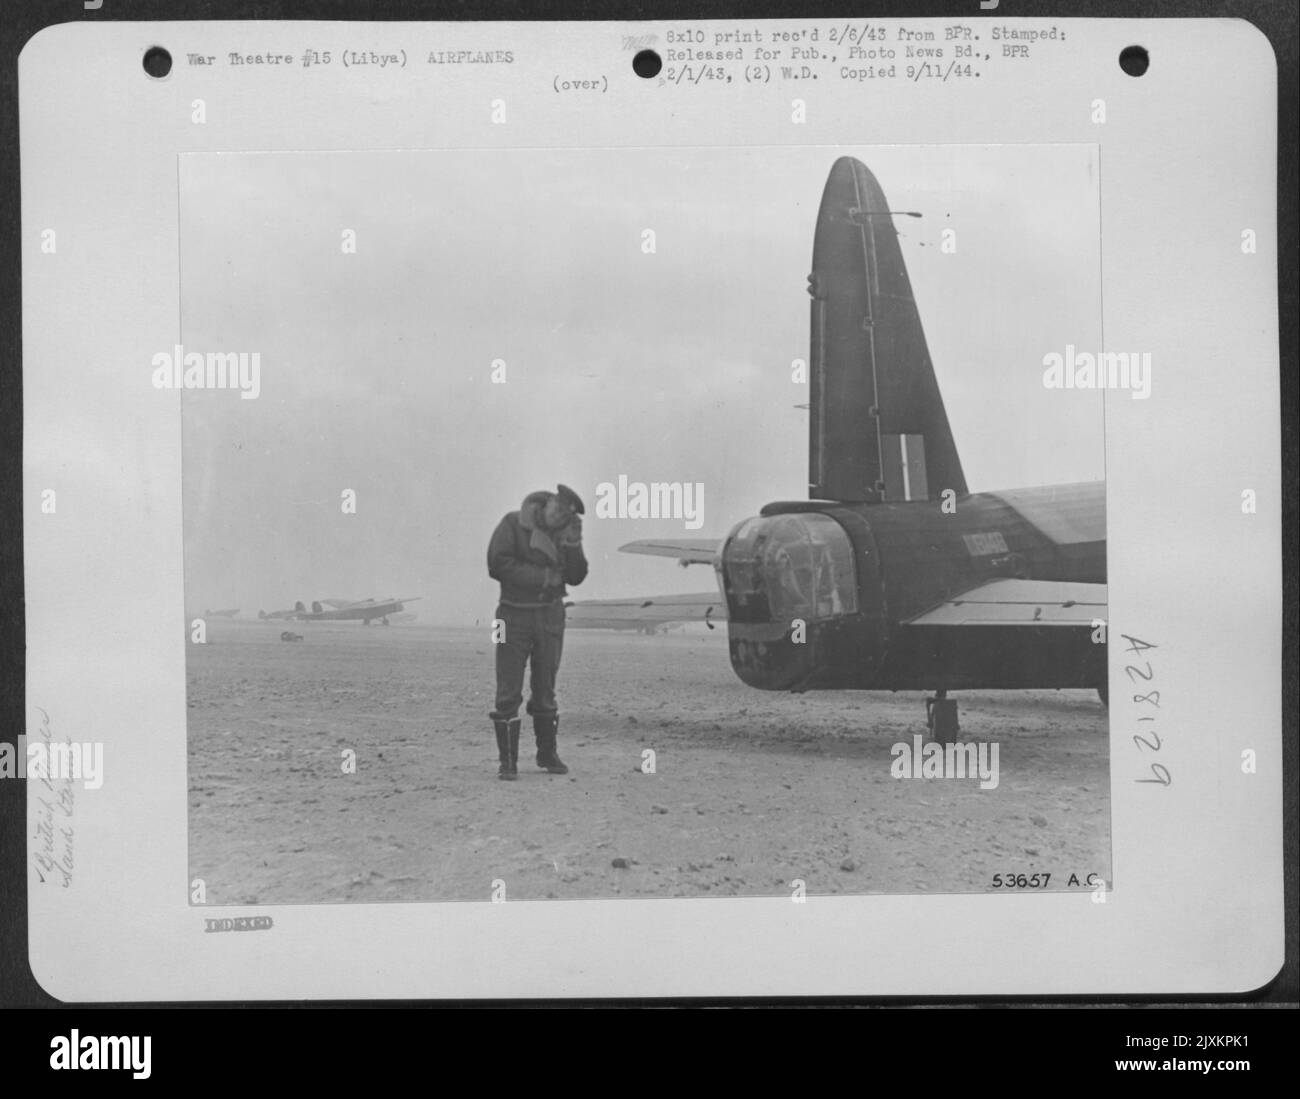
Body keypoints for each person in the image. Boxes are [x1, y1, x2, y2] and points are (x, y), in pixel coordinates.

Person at [486, 484, 588, 780]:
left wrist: (574, 545)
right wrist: (543, 577)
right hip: (509, 617)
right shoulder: (512, 523)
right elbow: (497, 564)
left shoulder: (565, 534)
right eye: (556, 509)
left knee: (546, 688)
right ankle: (508, 762)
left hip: (550, 618)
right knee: (507, 690)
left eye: (564, 516)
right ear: (546, 504)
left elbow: (577, 576)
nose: (557, 517)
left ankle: (547, 754)